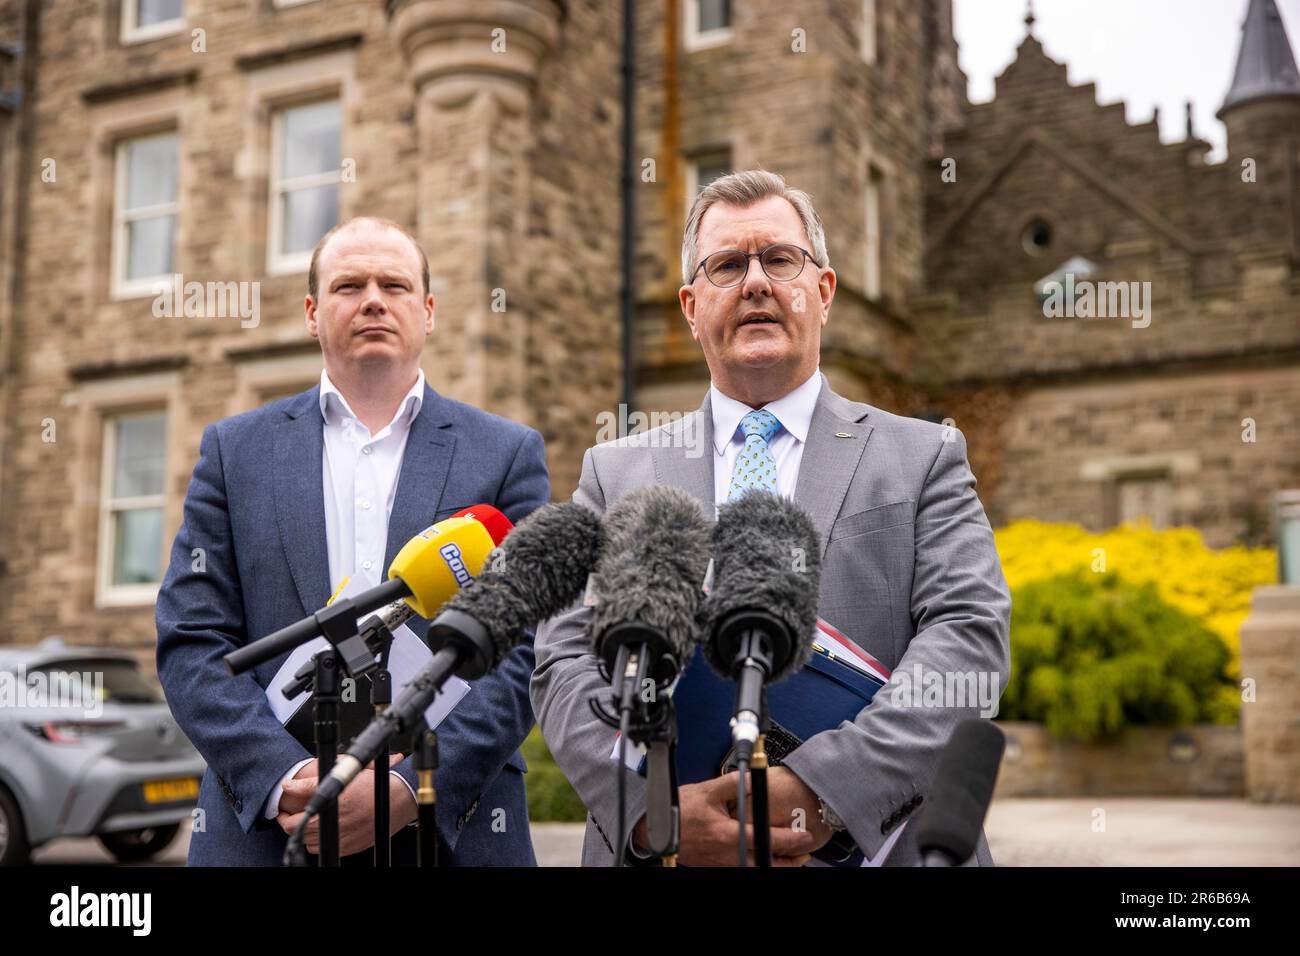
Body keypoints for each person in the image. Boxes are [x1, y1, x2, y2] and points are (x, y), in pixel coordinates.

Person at [532, 171, 1011, 866]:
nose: (755, 282)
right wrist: (647, 810)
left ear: (822, 291)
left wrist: (824, 791)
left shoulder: (922, 455)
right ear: (692, 308)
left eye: (780, 259)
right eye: (727, 265)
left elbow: (968, 637)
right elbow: (563, 657)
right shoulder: (616, 473)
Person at [157, 217, 548, 865]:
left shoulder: (504, 454)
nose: (373, 298)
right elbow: (192, 641)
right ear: (313, 313)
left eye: (394, 284)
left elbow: (527, 649)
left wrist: (410, 786)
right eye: (349, 285)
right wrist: (284, 780)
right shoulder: (234, 451)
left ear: (427, 312)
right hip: (265, 832)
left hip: (453, 830)